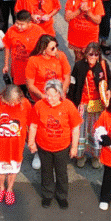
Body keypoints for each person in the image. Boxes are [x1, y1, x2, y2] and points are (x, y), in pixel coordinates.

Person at [28, 78, 80, 209]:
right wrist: (31, 142)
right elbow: (33, 125)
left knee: (61, 173)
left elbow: (75, 128)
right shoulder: (39, 105)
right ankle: (47, 195)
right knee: (46, 172)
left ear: (60, 94)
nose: (50, 98)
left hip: (62, 148)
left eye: (53, 95)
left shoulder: (68, 106)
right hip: (44, 146)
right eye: (48, 94)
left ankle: (62, 196)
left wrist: (74, 147)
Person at [0, 82, 33, 205]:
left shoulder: (25, 104)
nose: (12, 105)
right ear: (3, 97)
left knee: (13, 170)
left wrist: (31, 141)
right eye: (9, 102)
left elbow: (31, 124)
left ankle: (10, 189)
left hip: (16, 148)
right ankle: (1, 187)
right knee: (0, 171)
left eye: (15, 102)